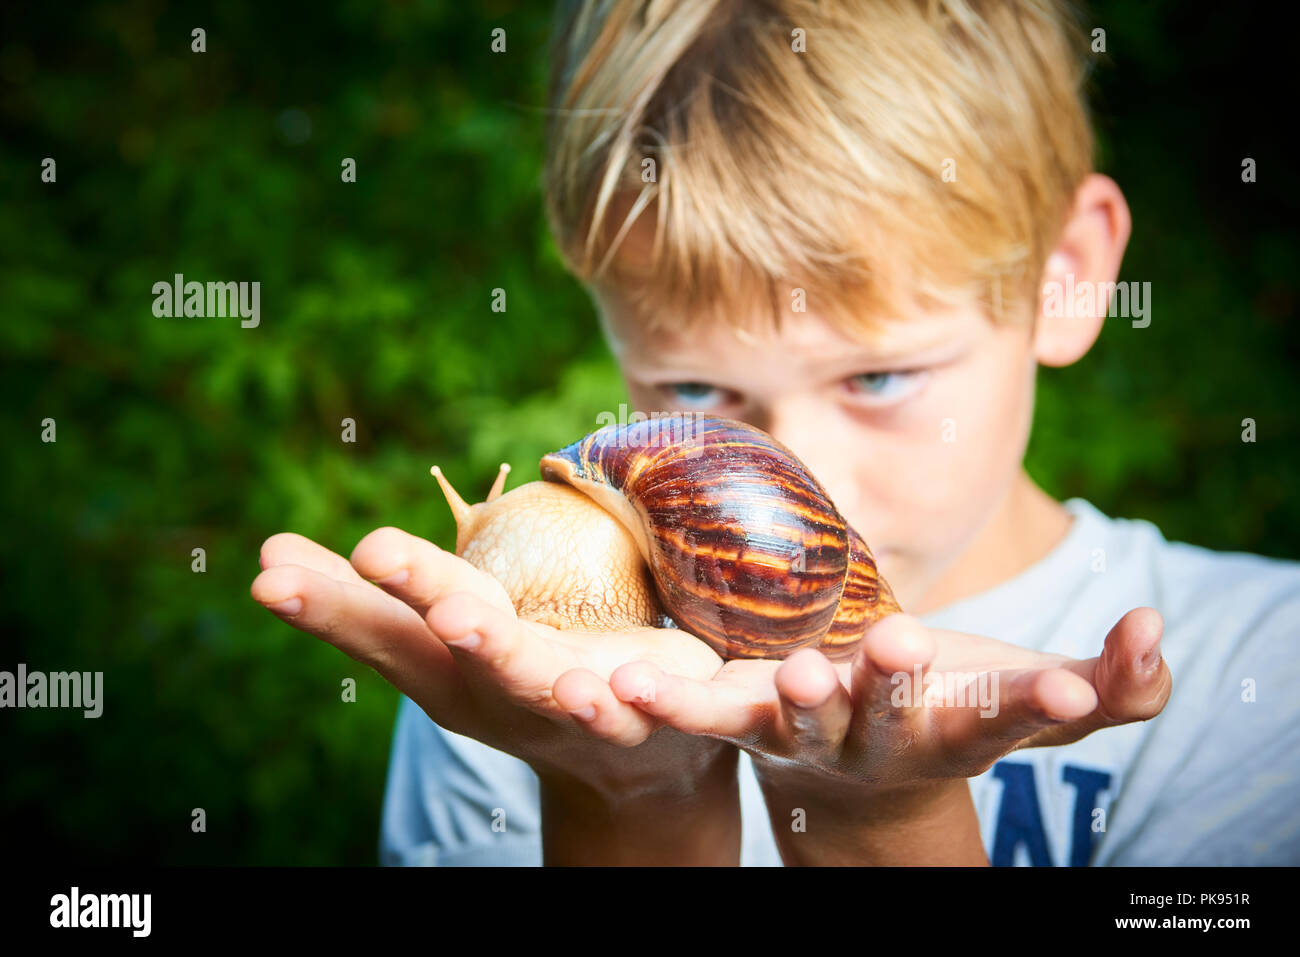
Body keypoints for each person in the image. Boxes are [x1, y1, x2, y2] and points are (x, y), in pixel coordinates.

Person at [251, 0, 1300, 865]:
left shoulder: (1256, 681)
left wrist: (880, 818)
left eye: (877, 374)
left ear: (1063, 278)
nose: (802, 466)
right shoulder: (520, 698)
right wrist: (623, 797)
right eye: (696, 389)